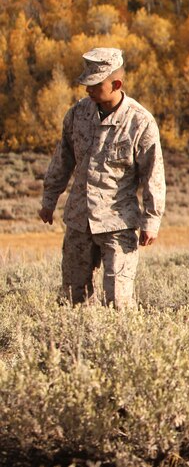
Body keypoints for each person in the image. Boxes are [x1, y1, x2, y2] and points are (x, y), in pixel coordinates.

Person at [38, 48, 166, 309]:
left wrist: (151, 220)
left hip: (118, 224)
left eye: (95, 84)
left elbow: (153, 173)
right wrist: (49, 199)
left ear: (116, 84)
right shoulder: (77, 114)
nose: (88, 89)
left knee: (118, 303)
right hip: (78, 221)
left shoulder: (140, 122)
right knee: (73, 300)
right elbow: (62, 160)